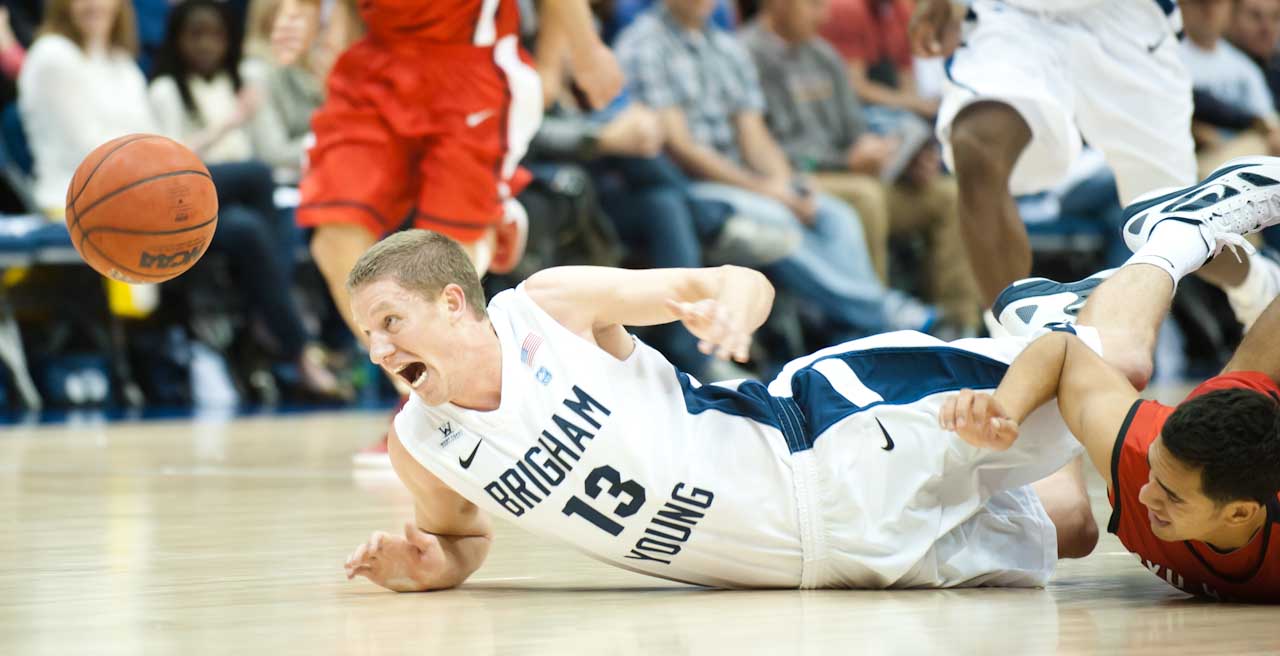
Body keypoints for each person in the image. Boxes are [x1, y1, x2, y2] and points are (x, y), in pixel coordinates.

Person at [336, 221, 1125, 592]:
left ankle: (1135, 270)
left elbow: (732, 281)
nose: (377, 351)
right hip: (825, 563)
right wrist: (429, 567)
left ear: (451, 303)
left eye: (390, 324)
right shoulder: (420, 442)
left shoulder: (548, 309)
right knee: (1080, 532)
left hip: (820, 441)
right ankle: (1025, 427)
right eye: (367, 333)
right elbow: (458, 539)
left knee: (1108, 362)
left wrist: (732, 311)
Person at [948, 157, 1280, 603]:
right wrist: (1006, 409)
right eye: (1156, 474)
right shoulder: (1140, 457)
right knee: (1111, 354)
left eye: (1171, 495)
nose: (1145, 494)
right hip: (1245, 406)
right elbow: (1066, 352)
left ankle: (1079, 312)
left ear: (1241, 514)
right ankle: (1179, 233)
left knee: (1072, 523)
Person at [616, 0, 937, 340]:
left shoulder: (725, 46)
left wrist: (787, 186)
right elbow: (684, 150)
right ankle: (878, 314)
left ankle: (861, 321)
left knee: (835, 216)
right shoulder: (644, 45)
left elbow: (753, 133)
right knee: (779, 218)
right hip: (690, 187)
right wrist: (765, 190)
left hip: (743, 181)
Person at [912, 0, 1197, 307]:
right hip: (1015, 15)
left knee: (1181, 229)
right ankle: (1019, 340)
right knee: (976, 143)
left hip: (1127, 18)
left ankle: (1253, 287)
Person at [741, 0, 982, 335]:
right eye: (812, 6)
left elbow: (855, 131)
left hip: (852, 174)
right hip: (798, 182)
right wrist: (845, 161)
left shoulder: (823, 55)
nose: (822, 15)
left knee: (948, 194)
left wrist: (898, 159)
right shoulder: (746, 55)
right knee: (865, 197)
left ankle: (958, 327)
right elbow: (762, 149)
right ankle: (878, 331)